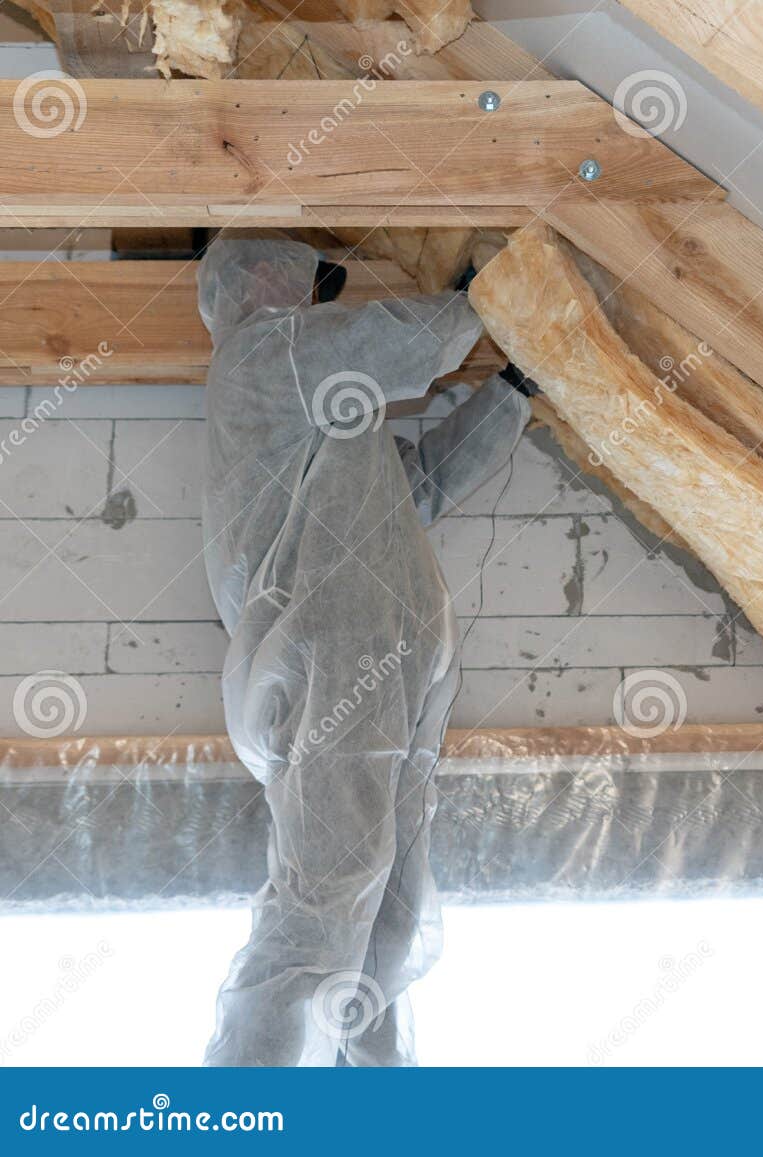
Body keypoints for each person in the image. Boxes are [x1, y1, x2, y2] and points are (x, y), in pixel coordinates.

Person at [196, 238, 532, 1065]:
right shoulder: (263, 355)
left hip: (370, 661)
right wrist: (500, 294)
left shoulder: (326, 418)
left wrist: (512, 392)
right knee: (326, 901)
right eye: (299, 277)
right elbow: (402, 345)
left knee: (385, 906)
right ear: (249, 284)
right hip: (327, 659)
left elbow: (419, 489)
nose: (311, 294)